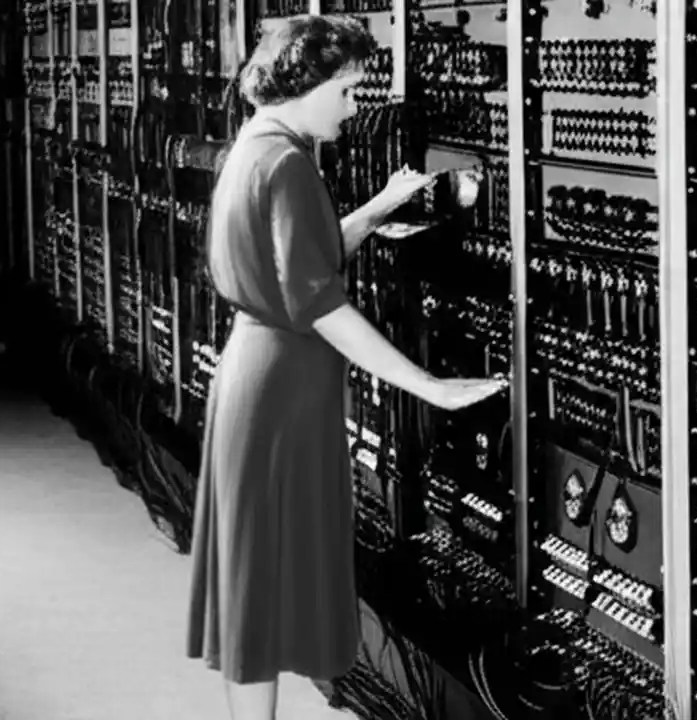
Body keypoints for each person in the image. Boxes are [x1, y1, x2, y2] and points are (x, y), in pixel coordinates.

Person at [185, 14, 507, 720]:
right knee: (263, 584)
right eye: (347, 90)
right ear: (309, 84)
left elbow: (301, 257)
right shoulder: (289, 166)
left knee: (257, 578)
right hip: (279, 391)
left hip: (258, 375)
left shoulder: (256, 147)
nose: (355, 106)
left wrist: (379, 207)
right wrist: (427, 385)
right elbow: (318, 302)